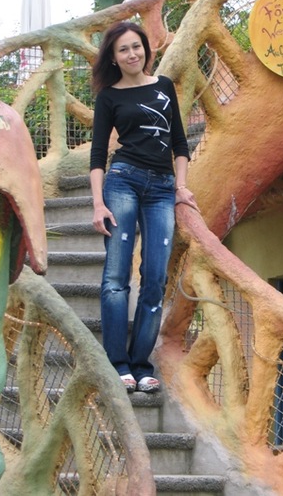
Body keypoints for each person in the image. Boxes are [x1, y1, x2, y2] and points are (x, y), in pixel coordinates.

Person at [90, 21, 196, 394]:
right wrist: (98, 203)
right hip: (123, 180)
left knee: (155, 279)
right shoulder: (109, 97)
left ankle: (141, 364)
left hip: (162, 189)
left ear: (146, 50)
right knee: (116, 278)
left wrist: (181, 187)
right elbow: (98, 154)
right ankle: (118, 364)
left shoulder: (163, 86)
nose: (132, 54)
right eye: (123, 49)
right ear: (113, 58)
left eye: (136, 46)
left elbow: (179, 142)